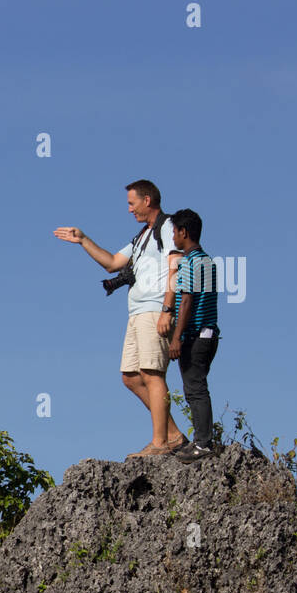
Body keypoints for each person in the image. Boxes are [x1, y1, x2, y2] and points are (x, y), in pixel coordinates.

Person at [54, 180, 187, 458]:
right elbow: (113, 262)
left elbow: (176, 266)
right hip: (137, 311)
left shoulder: (167, 226)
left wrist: (167, 309)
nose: (129, 210)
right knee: (130, 377)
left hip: (155, 309)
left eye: (131, 203)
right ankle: (172, 434)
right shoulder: (142, 236)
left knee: (152, 373)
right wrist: (83, 240)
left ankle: (160, 443)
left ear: (147, 200)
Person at [164, 209, 220, 462]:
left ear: (184, 232)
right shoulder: (207, 260)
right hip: (210, 335)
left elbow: (186, 300)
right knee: (196, 387)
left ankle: (203, 444)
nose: (173, 236)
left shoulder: (188, 262)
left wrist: (177, 337)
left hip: (196, 336)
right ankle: (201, 439)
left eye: (175, 231)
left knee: (195, 389)